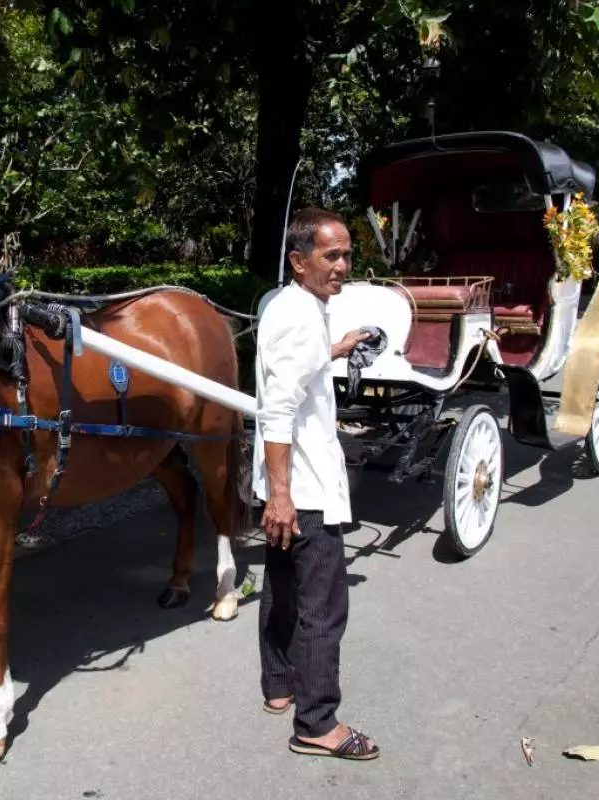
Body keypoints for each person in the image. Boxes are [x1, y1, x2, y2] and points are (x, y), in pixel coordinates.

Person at [252, 206, 380, 761]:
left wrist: (339, 347)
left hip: (286, 488)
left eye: (348, 254)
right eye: (332, 255)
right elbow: (278, 411)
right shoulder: (302, 314)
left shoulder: (291, 306)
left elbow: (296, 368)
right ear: (299, 261)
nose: (343, 266)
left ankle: (279, 687)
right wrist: (281, 496)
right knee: (324, 608)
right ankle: (317, 723)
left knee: (280, 591)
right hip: (302, 491)